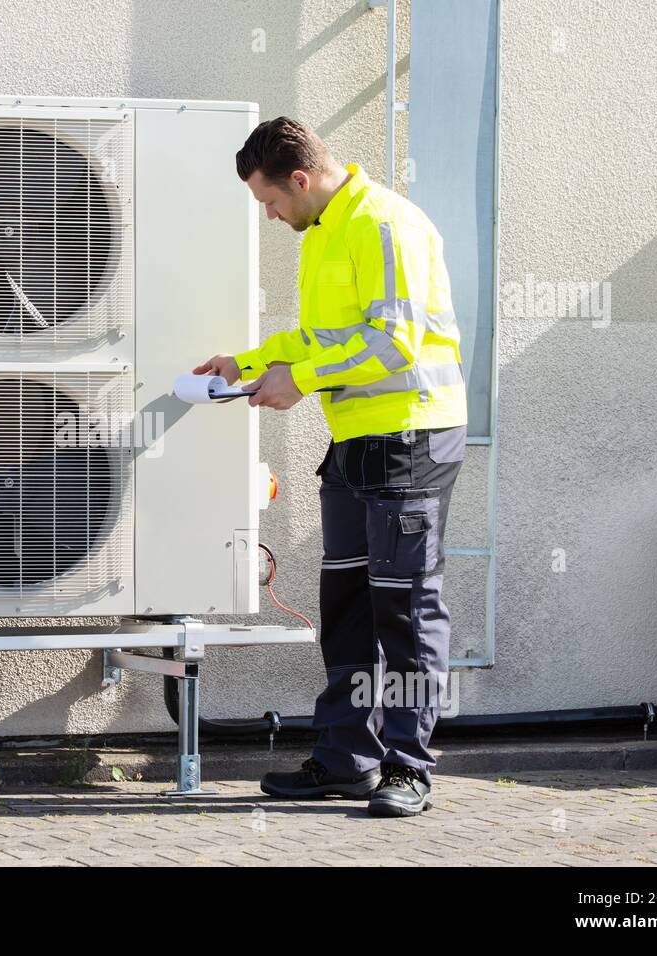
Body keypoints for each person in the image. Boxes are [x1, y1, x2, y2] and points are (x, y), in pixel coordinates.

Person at [194, 117, 468, 817]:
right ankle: (348, 760)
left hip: (411, 441)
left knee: (404, 610)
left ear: (300, 179)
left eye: (270, 201)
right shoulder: (324, 232)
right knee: (347, 608)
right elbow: (319, 336)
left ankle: (409, 769)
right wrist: (247, 364)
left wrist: (303, 379)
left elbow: (395, 344)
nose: (270, 213)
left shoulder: (384, 225)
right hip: (354, 445)